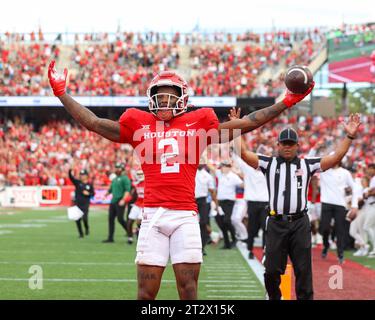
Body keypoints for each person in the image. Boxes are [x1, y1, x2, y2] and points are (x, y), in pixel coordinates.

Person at [48, 60, 313, 300]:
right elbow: (93, 122)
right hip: (152, 216)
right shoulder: (139, 124)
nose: (163, 101)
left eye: (169, 97)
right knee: (145, 294)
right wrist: (62, 94)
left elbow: (247, 123)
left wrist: (287, 102)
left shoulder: (198, 124)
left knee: (188, 292)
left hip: (185, 215)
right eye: (159, 97)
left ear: (182, 98)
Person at [234, 114, 361, 300]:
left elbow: (335, 158)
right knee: (270, 271)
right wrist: (237, 128)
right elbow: (244, 154)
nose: (287, 147)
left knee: (303, 271)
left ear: (297, 146)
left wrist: (349, 136)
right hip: (276, 223)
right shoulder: (269, 163)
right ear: (278, 145)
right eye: (283, 143)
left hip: (300, 223)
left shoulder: (307, 164)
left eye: (290, 144)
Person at [232, 137, 269, 259]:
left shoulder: (268, 169)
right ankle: (250, 249)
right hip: (252, 202)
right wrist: (235, 135)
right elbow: (238, 155)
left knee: (266, 228)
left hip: (265, 203)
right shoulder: (248, 169)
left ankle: (265, 251)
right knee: (252, 229)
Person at [319, 163, 359, 263]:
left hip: (340, 204)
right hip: (326, 203)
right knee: (324, 228)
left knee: (340, 230)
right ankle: (326, 245)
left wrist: (355, 205)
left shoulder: (345, 173)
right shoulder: (323, 170)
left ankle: (340, 254)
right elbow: (309, 160)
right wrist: (314, 149)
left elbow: (355, 188)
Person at [215, 160, 244, 249]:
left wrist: (238, 174)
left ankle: (234, 238)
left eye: (225, 166)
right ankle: (227, 243)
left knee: (227, 220)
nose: (223, 168)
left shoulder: (233, 176)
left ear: (228, 167)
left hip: (229, 202)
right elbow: (211, 168)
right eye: (222, 166)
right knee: (220, 221)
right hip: (220, 202)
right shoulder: (220, 174)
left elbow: (243, 185)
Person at [102, 163, 131, 243]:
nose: (115, 170)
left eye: (117, 168)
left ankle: (130, 232)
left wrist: (123, 200)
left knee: (120, 219)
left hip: (120, 200)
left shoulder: (125, 178)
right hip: (113, 201)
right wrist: (105, 195)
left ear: (121, 169)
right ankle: (110, 238)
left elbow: (127, 190)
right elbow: (111, 189)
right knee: (110, 219)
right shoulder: (115, 179)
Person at [195, 164, 218, 256]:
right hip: (191, 200)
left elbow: (212, 191)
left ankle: (202, 247)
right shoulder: (191, 171)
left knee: (203, 223)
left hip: (203, 200)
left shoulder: (207, 176)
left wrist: (216, 203)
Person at [68, 169, 94, 238]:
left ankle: (87, 228)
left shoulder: (89, 185)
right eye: (81, 175)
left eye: (83, 175)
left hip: (85, 204)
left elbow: (93, 194)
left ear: (86, 176)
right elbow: (71, 178)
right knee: (77, 219)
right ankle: (81, 233)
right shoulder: (78, 183)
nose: (82, 176)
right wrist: (70, 170)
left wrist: (88, 193)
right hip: (77, 203)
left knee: (85, 218)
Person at [127, 169, 145, 244]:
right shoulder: (136, 183)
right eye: (138, 174)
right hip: (137, 204)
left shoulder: (148, 183)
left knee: (139, 221)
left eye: (141, 174)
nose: (139, 176)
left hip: (145, 204)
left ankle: (140, 235)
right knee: (130, 221)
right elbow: (134, 194)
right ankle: (130, 237)